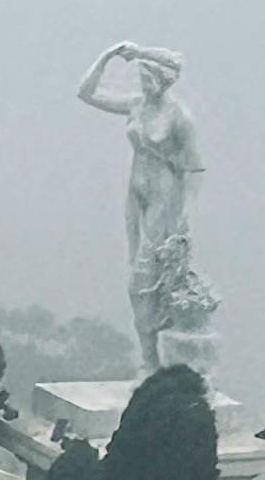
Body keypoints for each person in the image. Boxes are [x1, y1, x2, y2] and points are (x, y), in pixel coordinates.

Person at [78, 43, 206, 376]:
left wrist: (185, 215)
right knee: (135, 273)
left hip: (165, 197)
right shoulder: (137, 105)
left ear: (164, 80)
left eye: (149, 77)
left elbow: (195, 169)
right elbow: (86, 93)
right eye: (141, 76)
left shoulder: (180, 117)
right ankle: (150, 357)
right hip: (135, 193)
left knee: (144, 281)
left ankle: (154, 358)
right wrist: (107, 55)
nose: (144, 83)